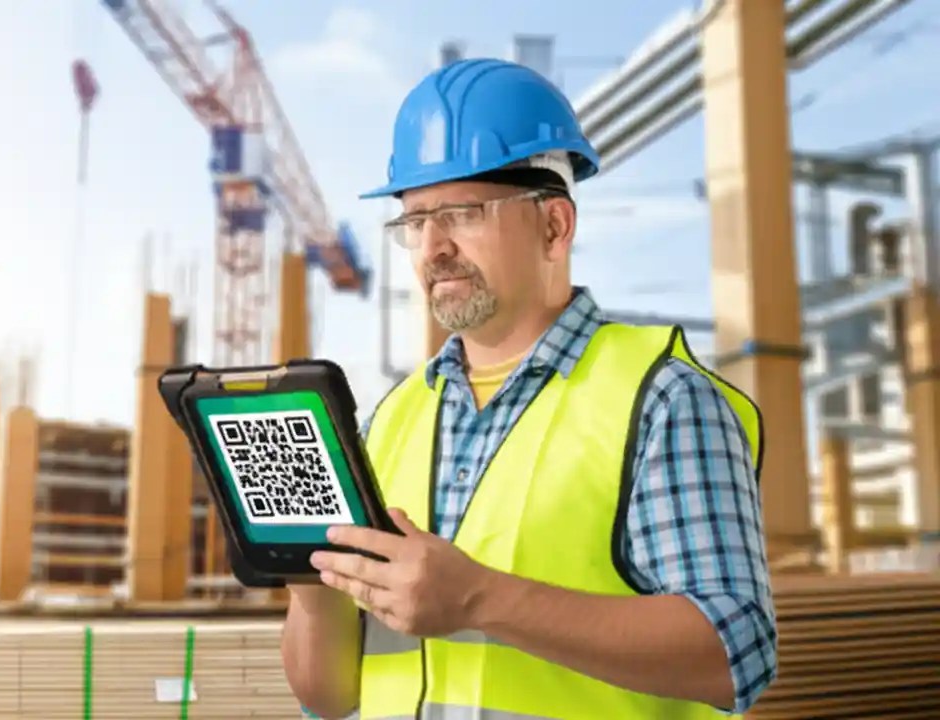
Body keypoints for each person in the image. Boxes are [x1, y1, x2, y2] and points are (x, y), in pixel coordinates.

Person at [280, 58, 777, 720]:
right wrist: (311, 591)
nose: (433, 247)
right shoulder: (388, 421)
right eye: (415, 221)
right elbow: (331, 700)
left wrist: (483, 598)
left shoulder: (661, 399)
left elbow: (736, 651)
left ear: (554, 226)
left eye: (462, 212)